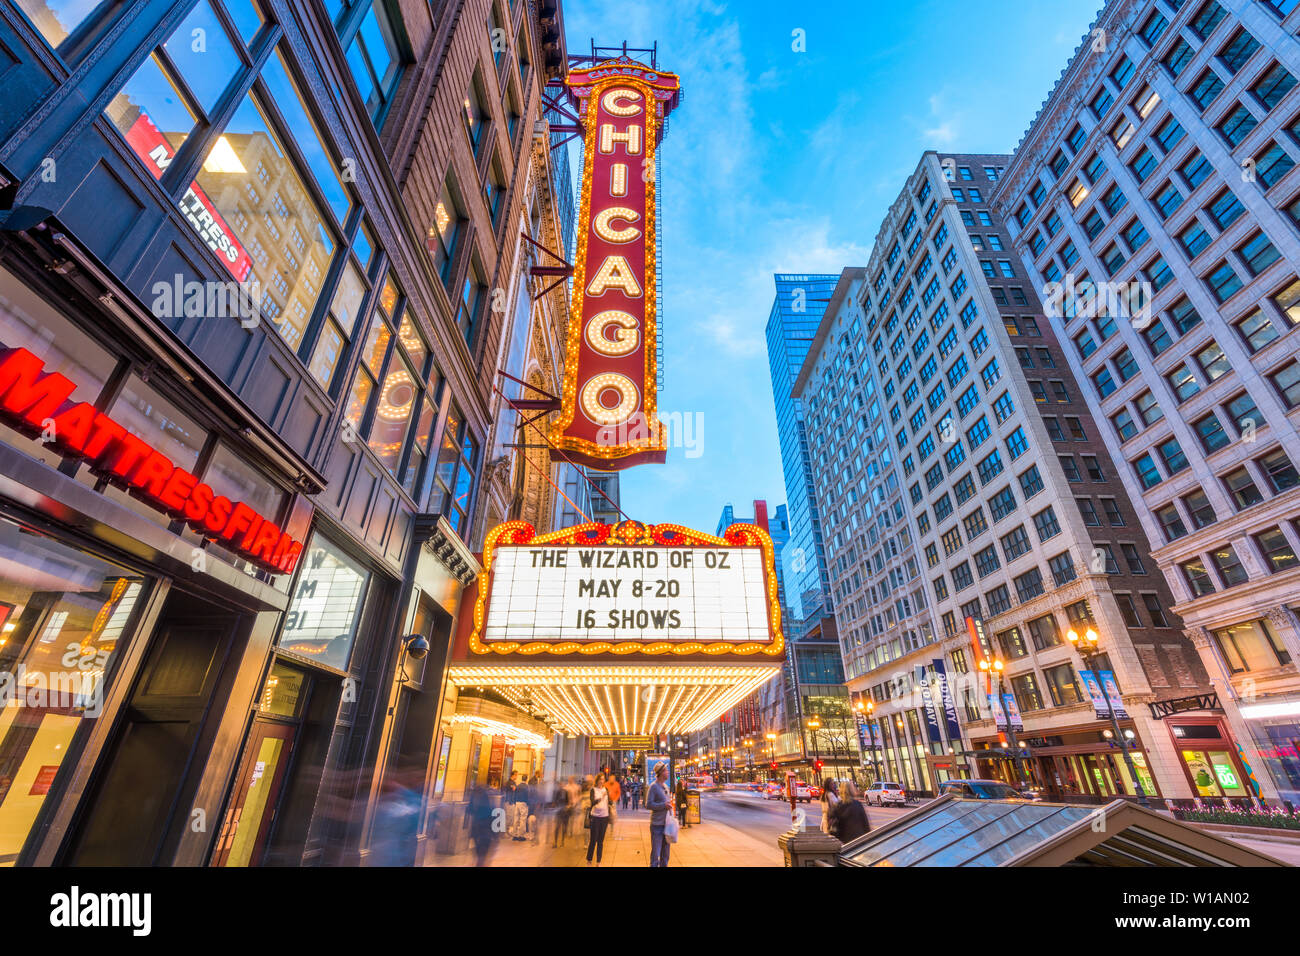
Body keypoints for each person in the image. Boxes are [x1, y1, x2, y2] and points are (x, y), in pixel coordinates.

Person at [466, 782, 497, 867]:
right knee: (482, 853)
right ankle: (480, 863)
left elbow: (469, 810)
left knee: (478, 851)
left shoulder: (474, 796)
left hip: (476, 828)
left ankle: (479, 862)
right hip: (485, 828)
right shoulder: (487, 797)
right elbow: (492, 813)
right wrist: (495, 834)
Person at [647, 762, 672, 867]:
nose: (668, 772)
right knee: (655, 855)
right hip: (657, 826)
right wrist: (663, 805)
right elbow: (648, 804)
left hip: (666, 826)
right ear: (661, 772)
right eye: (666, 770)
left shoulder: (666, 787)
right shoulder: (653, 787)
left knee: (665, 856)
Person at [586, 773, 612, 865]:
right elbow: (592, 802)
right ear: (597, 780)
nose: (602, 781)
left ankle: (598, 861)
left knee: (600, 841)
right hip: (595, 817)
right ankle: (589, 859)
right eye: (600, 779)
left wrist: (610, 799)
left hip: (604, 817)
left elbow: (610, 802)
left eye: (603, 779)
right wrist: (601, 797)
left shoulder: (606, 789)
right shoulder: (593, 790)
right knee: (593, 839)